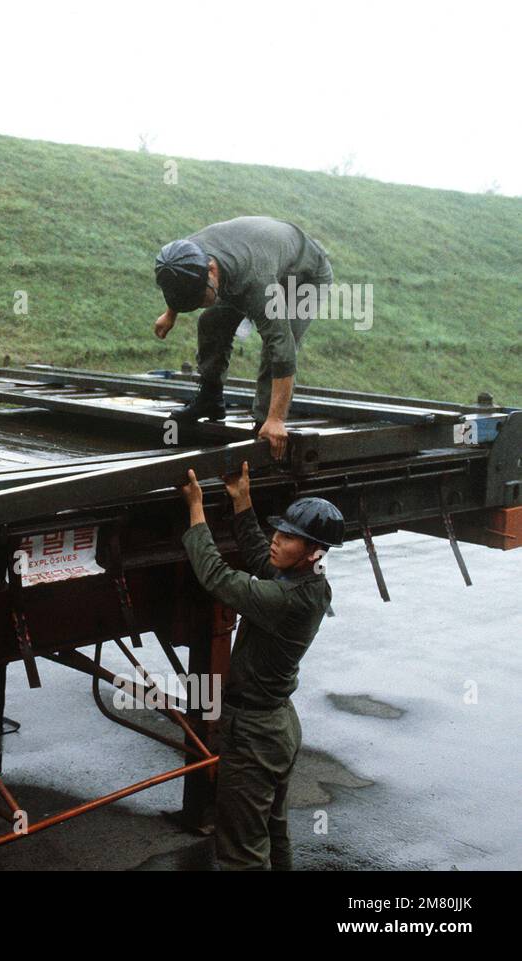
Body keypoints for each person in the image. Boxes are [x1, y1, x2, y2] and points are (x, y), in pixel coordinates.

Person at [177, 461, 344, 870]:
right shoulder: (310, 583)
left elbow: (216, 576)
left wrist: (196, 510)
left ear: (313, 553)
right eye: (280, 531)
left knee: (240, 851)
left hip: (256, 735)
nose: (276, 541)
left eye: (288, 538)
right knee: (272, 830)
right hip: (278, 727)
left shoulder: (282, 600)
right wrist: (242, 502)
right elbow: (258, 554)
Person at [153, 216, 334, 458]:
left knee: (274, 347)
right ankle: (211, 398)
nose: (197, 304)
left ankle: (264, 423)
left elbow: (282, 349)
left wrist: (276, 419)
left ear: (211, 271)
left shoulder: (254, 281)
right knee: (211, 321)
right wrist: (170, 314)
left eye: (200, 298)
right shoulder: (182, 257)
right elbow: (179, 287)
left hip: (304, 276)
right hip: (260, 259)